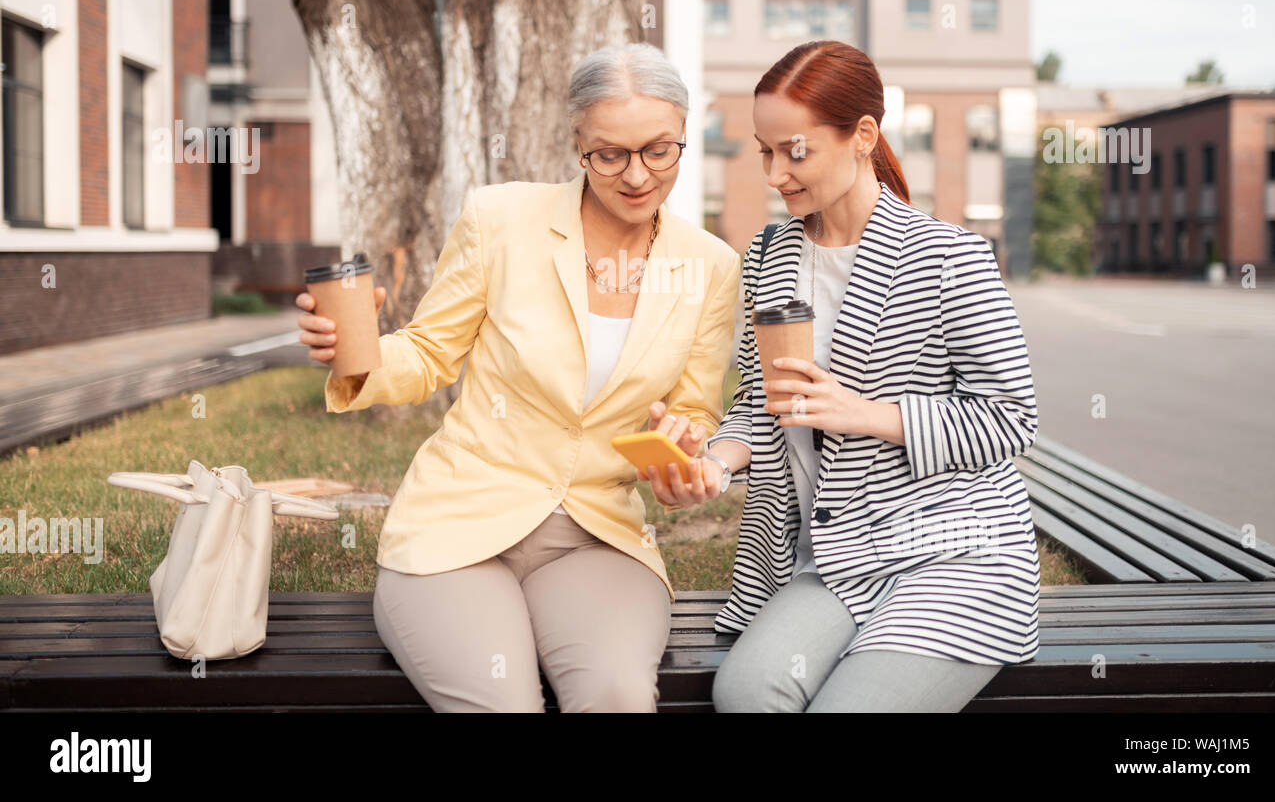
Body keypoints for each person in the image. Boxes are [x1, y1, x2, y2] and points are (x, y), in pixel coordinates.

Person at [295, 42, 742, 711]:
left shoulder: (711, 265)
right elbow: (429, 355)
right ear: (577, 145)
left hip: (596, 537)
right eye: (609, 154)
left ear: (683, 135)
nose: (637, 176)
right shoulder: (501, 219)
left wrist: (683, 459)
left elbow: (697, 412)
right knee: (503, 704)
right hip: (460, 529)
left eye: (659, 150)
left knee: (618, 695)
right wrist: (354, 356)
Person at [690, 40, 1041, 712]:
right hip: (837, 557)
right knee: (744, 691)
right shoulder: (769, 254)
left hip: (955, 552)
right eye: (763, 151)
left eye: (793, 151)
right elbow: (760, 404)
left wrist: (864, 412)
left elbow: (1010, 417)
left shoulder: (950, 257)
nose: (772, 173)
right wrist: (714, 464)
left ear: (862, 137)